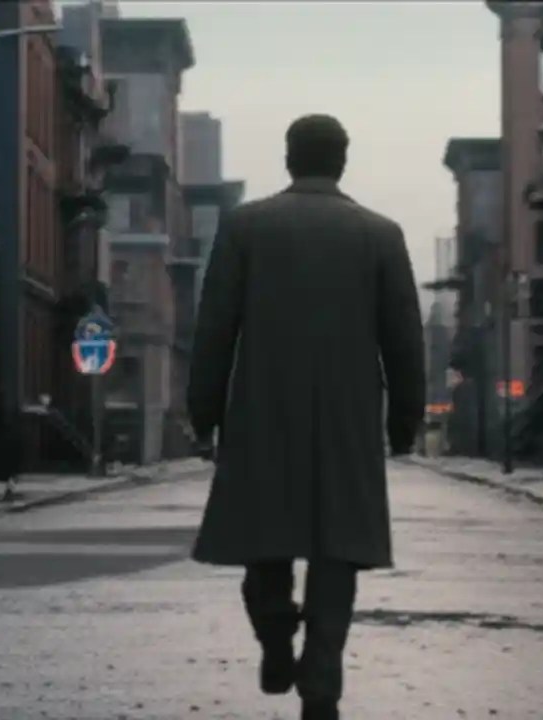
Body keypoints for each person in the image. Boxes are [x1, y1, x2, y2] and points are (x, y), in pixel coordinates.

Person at [187, 114, 425, 720]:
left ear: (289, 158)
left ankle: (273, 631)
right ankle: (321, 685)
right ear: (342, 161)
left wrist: (203, 410)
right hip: (348, 413)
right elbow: (404, 339)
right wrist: (405, 419)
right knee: (336, 549)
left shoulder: (245, 227)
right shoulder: (381, 234)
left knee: (265, 537)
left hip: (263, 408)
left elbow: (214, 327)